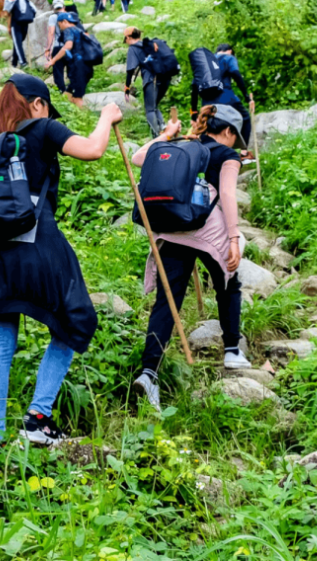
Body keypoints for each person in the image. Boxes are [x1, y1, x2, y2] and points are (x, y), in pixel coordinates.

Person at [0, 74, 123, 446]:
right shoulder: (43, 128)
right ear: (37, 104)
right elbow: (92, 149)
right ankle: (38, 419)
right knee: (75, 321)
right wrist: (106, 116)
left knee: (0, 341)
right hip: (37, 246)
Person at [131, 104, 252, 411]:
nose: (234, 144)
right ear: (227, 132)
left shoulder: (183, 146)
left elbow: (138, 158)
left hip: (172, 229)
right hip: (208, 231)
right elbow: (226, 194)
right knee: (229, 283)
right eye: (234, 138)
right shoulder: (227, 155)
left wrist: (166, 134)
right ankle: (232, 350)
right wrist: (234, 238)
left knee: (167, 301)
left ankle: (148, 374)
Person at [190, 43, 255, 147]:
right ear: (230, 51)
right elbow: (236, 74)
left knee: (209, 126)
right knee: (245, 118)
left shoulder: (206, 63)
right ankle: (243, 152)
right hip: (227, 99)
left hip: (207, 103)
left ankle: (208, 151)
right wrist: (247, 98)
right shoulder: (228, 58)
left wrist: (194, 113)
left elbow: (194, 88)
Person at [124, 27, 170, 137]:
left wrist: (127, 86)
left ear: (128, 37)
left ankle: (156, 136)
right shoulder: (149, 44)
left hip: (151, 79)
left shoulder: (133, 48)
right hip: (164, 78)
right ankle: (163, 128)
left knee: (150, 110)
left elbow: (130, 70)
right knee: (155, 106)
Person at [46, 12, 91, 108]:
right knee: (71, 79)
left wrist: (51, 56)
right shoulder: (76, 24)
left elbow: (66, 44)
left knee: (59, 73)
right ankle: (70, 96)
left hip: (68, 56)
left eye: (59, 24)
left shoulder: (63, 26)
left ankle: (63, 94)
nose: (60, 26)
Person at [3, 0, 32, 68]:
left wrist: (9, 25)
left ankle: (23, 62)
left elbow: (6, 13)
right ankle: (14, 62)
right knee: (17, 43)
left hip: (16, 24)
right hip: (26, 23)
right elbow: (34, 10)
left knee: (18, 43)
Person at [46, 0, 68, 95]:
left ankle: (62, 93)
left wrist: (48, 48)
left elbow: (51, 33)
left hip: (58, 47)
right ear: (64, 6)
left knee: (58, 72)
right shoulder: (70, 16)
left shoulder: (53, 17)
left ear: (53, 8)